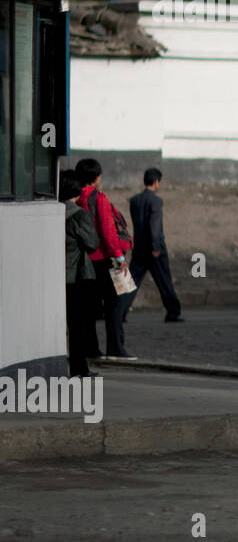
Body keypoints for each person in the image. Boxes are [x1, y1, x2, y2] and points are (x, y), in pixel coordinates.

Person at [74, 157, 136, 361]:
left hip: (82, 258)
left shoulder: (74, 198)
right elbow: (108, 231)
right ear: (96, 178)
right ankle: (115, 347)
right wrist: (119, 257)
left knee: (87, 307)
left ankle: (90, 348)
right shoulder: (98, 198)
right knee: (115, 303)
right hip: (101, 257)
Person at [128, 167, 183, 322]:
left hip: (139, 248)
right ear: (156, 182)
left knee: (131, 281)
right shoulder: (156, 201)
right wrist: (156, 247)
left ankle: (120, 310)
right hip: (154, 249)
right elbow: (155, 226)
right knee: (164, 280)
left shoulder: (134, 200)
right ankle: (173, 312)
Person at [62, 170, 100, 378]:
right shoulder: (79, 215)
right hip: (77, 276)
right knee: (78, 325)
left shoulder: (52, 212)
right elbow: (93, 244)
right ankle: (79, 368)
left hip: (56, 274)